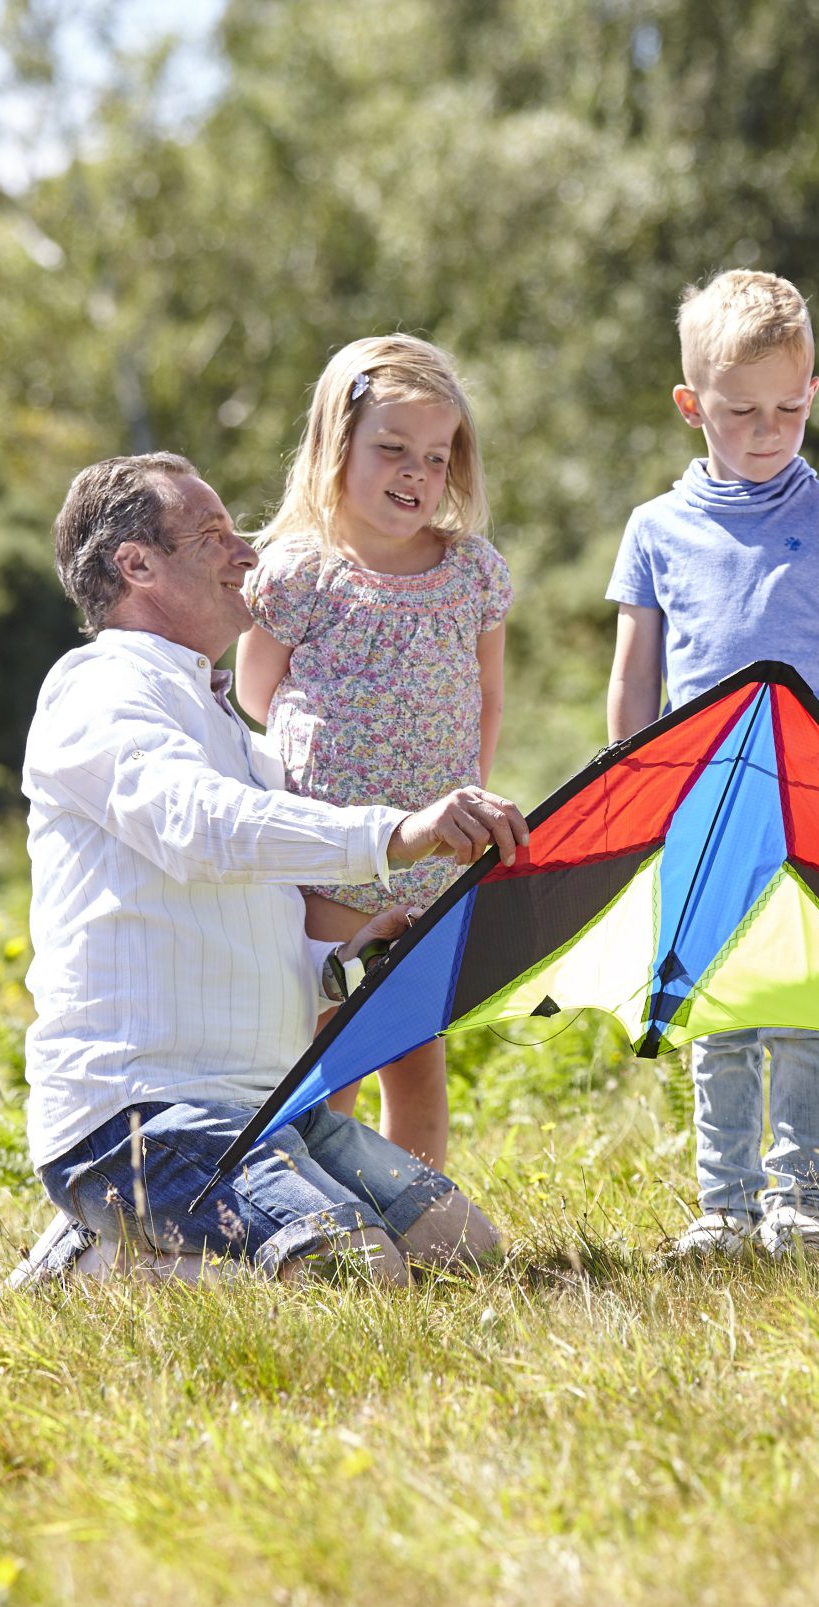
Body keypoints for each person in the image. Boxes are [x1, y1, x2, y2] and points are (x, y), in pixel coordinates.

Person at [9, 452, 528, 1288]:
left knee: (465, 1250)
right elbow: (201, 826)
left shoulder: (234, 735)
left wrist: (346, 960)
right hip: (140, 1114)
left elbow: (248, 918)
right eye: (212, 536)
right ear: (135, 565)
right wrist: (393, 834)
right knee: (358, 1275)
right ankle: (89, 1268)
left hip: (268, 1109)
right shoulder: (98, 690)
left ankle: (153, 1244)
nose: (247, 554)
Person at [605, 268, 819, 1260]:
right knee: (719, 1011)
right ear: (692, 405)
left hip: (810, 800)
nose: (769, 430)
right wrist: (627, 793)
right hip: (699, 810)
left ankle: (799, 1201)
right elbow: (634, 677)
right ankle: (725, 1207)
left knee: (804, 1009)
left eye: (788, 408)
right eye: (741, 412)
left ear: (814, 392)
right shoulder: (656, 530)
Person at [233, 336, 510, 1173]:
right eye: (392, 448)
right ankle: (323, 1204)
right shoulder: (300, 572)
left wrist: (465, 800)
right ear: (337, 445)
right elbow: (256, 694)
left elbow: (487, 695)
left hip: (432, 864)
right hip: (330, 866)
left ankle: (418, 1207)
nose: (415, 473)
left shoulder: (470, 572)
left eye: (435, 456)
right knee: (331, 1050)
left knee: (417, 1060)